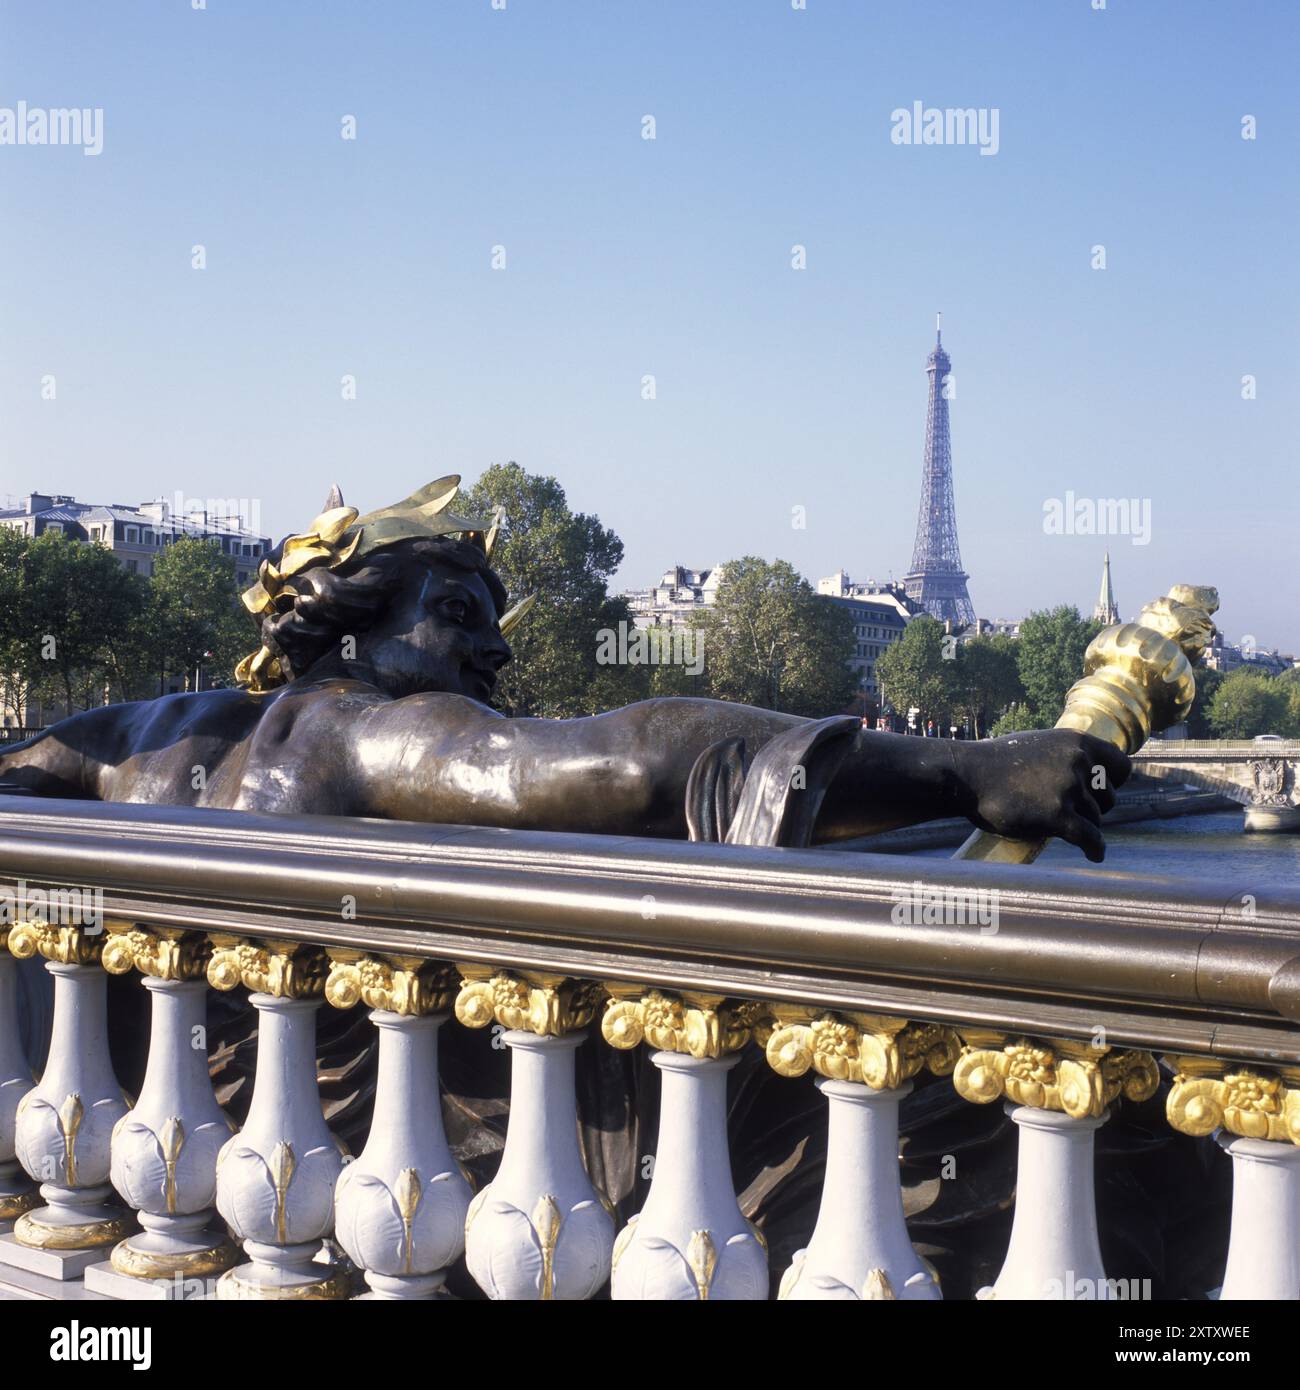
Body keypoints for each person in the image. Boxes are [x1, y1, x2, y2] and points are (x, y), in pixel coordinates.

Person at [0, 477, 1127, 859]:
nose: (489, 648)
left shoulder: (170, 729)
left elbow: (27, 765)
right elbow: (621, 763)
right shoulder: (350, 722)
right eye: (453, 612)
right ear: (352, 617)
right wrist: (963, 768)